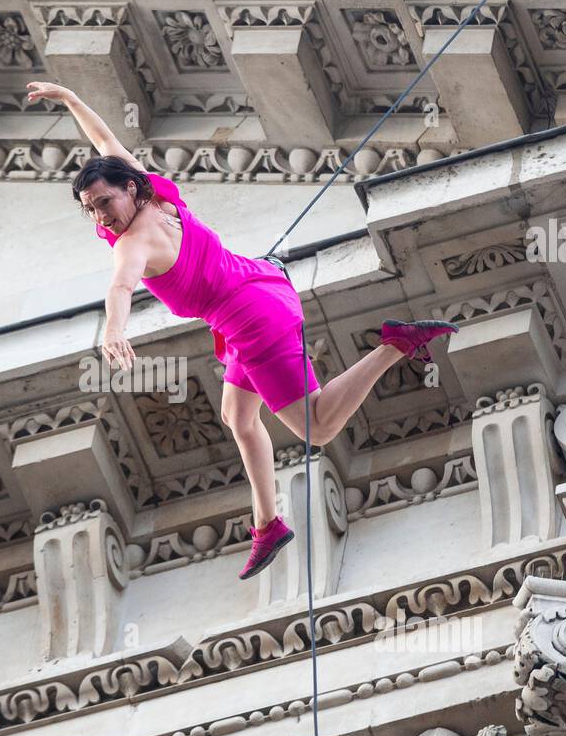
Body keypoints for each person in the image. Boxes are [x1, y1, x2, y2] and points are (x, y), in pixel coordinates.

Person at [27, 81, 458, 580]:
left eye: (104, 202)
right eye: (91, 209)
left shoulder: (131, 244)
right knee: (237, 416)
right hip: (256, 289)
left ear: (127, 189)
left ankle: (395, 344)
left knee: (316, 427)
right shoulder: (154, 198)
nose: (100, 215)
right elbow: (108, 145)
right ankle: (268, 522)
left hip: (252, 319)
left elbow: (121, 287)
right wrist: (73, 100)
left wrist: (114, 331)